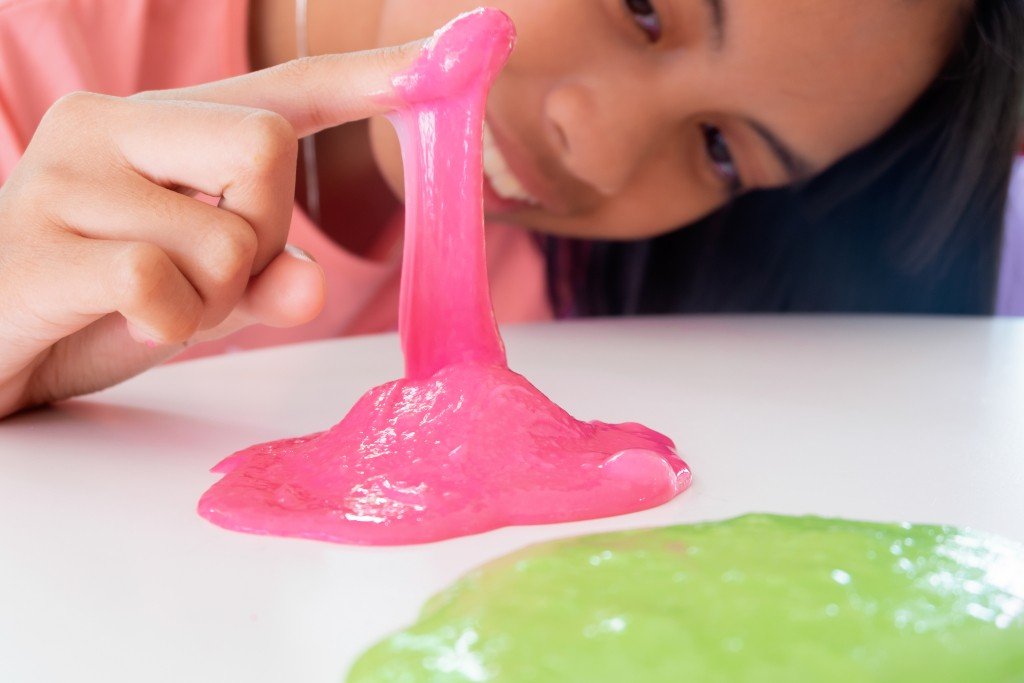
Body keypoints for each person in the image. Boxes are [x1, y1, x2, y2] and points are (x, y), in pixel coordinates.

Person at [0, 0, 1021, 420]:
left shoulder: (601, 339)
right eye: (644, 6)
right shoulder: (37, 49)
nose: (602, 149)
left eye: (720, 149)